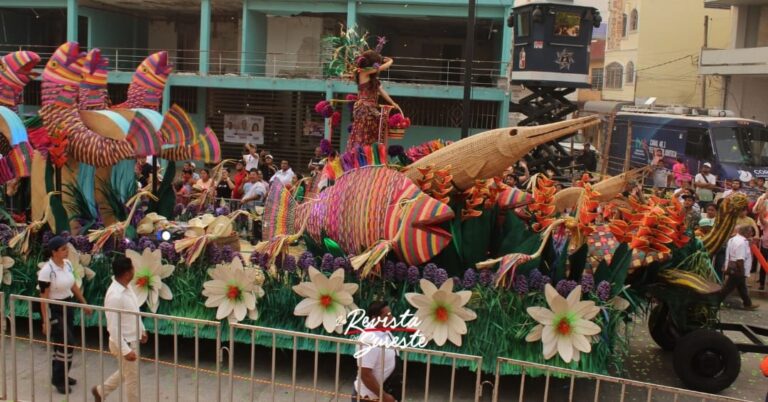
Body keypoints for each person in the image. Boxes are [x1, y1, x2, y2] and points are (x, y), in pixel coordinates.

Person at [38, 236, 92, 394]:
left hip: (67, 305)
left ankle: (62, 375)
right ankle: (58, 379)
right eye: (63, 249)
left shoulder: (67, 264)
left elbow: (73, 285)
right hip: (55, 308)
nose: (66, 251)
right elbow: (43, 298)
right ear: (54, 252)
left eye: (66, 248)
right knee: (66, 343)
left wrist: (84, 303)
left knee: (63, 344)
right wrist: (45, 320)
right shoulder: (46, 271)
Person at [93, 256, 147, 402]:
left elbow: (134, 310)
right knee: (132, 379)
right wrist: (126, 350)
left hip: (131, 339)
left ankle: (101, 391)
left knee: (127, 373)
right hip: (125, 342)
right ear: (128, 273)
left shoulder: (126, 287)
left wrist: (141, 329)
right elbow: (113, 326)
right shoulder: (115, 296)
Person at [346, 50, 400, 150]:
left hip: (372, 110)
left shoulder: (373, 80)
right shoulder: (362, 72)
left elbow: (382, 91)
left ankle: (368, 155)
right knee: (363, 135)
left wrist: (393, 102)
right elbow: (381, 68)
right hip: (364, 109)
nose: (376, 66)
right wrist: (391, 61)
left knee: (372, 135)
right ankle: (359, 155)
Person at [353, 301, 398, 402]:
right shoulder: (369, 339)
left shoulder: (384, 331)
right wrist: (384, 397)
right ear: (374, 318)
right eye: (386, 316)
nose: (391, 319)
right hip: (368, 397)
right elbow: (365, 374)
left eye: (391, 315)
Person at [720, 225, 760, 310]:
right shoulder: (741, 242)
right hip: (738, 269)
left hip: (734, 267)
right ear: (745, 232)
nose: (752, 234)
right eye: (750, 232)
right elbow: (740, 259)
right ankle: (716, 301)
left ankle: (747, 304)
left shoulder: (734, 239)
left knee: (742, 287)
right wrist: (742, 271)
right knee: (728, 288)